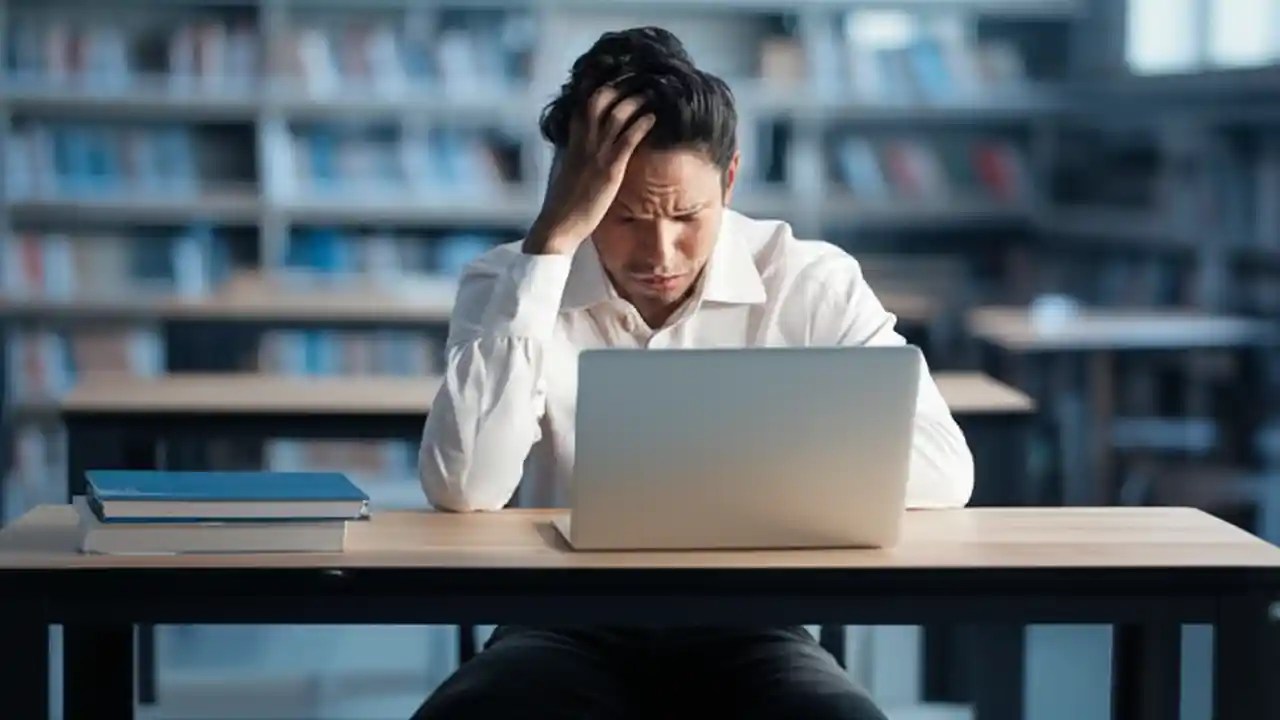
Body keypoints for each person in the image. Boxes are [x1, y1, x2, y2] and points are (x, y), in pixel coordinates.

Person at [412, 26, 974, 720]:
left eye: (686, 214)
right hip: (559, 617)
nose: (660, 252)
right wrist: (549, 248)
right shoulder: (506, 281)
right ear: (573, 191)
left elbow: (945, 470)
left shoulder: (808, 281)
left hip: (751, 622)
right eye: (624, 217)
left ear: (730, 179)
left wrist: (730, 462)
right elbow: (465, 485)